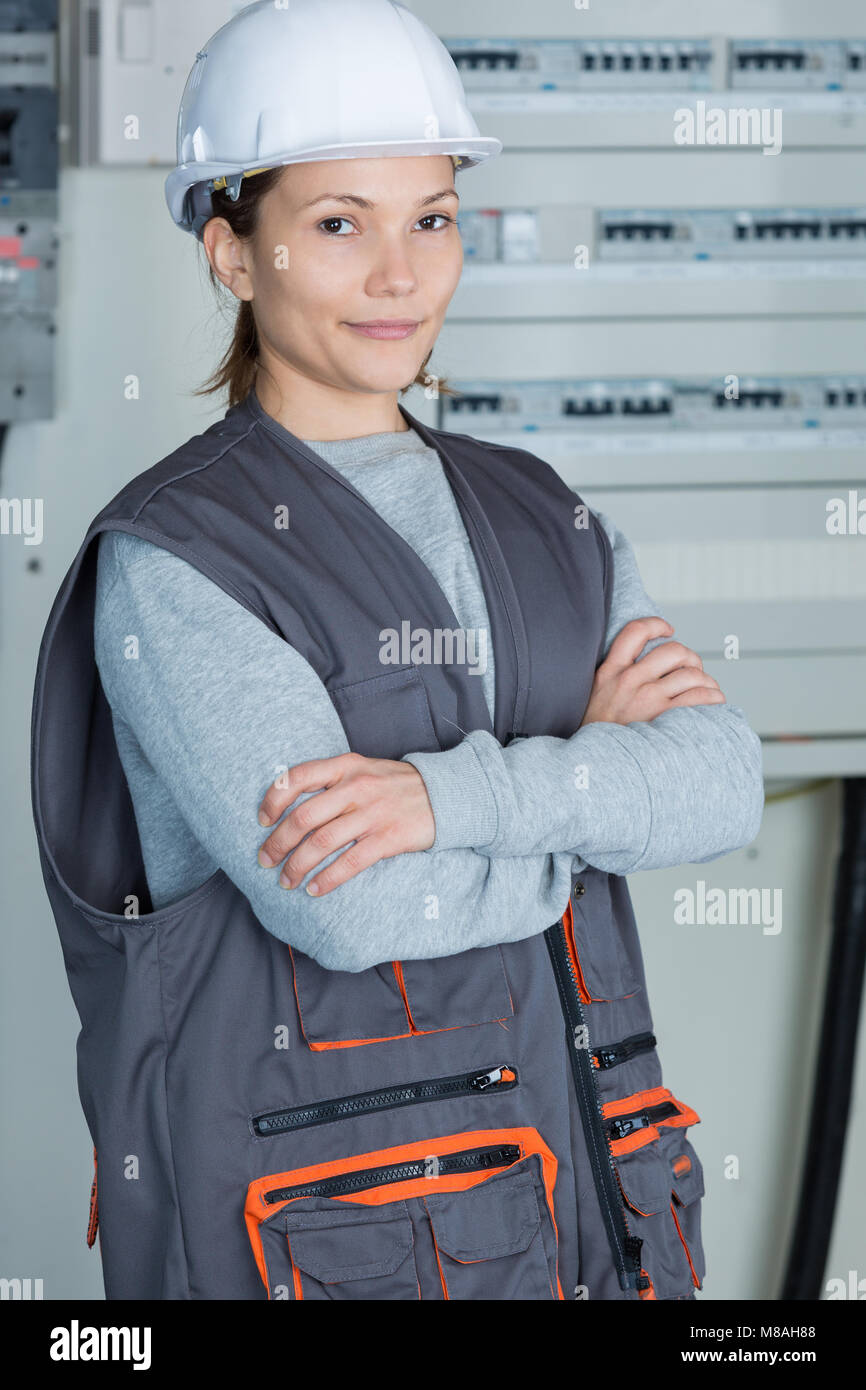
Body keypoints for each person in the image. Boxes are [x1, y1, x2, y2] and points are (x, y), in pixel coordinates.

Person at [32, 0, 764, 1301]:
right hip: (330, 1247)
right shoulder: (178, 557)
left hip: (593, 1219)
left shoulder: (547, 514)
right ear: (232, 252)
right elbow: (356, 906)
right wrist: (600, 778)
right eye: (336, 223)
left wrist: (442, 800)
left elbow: (717, 786)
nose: (398, 273)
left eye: (430, 217)